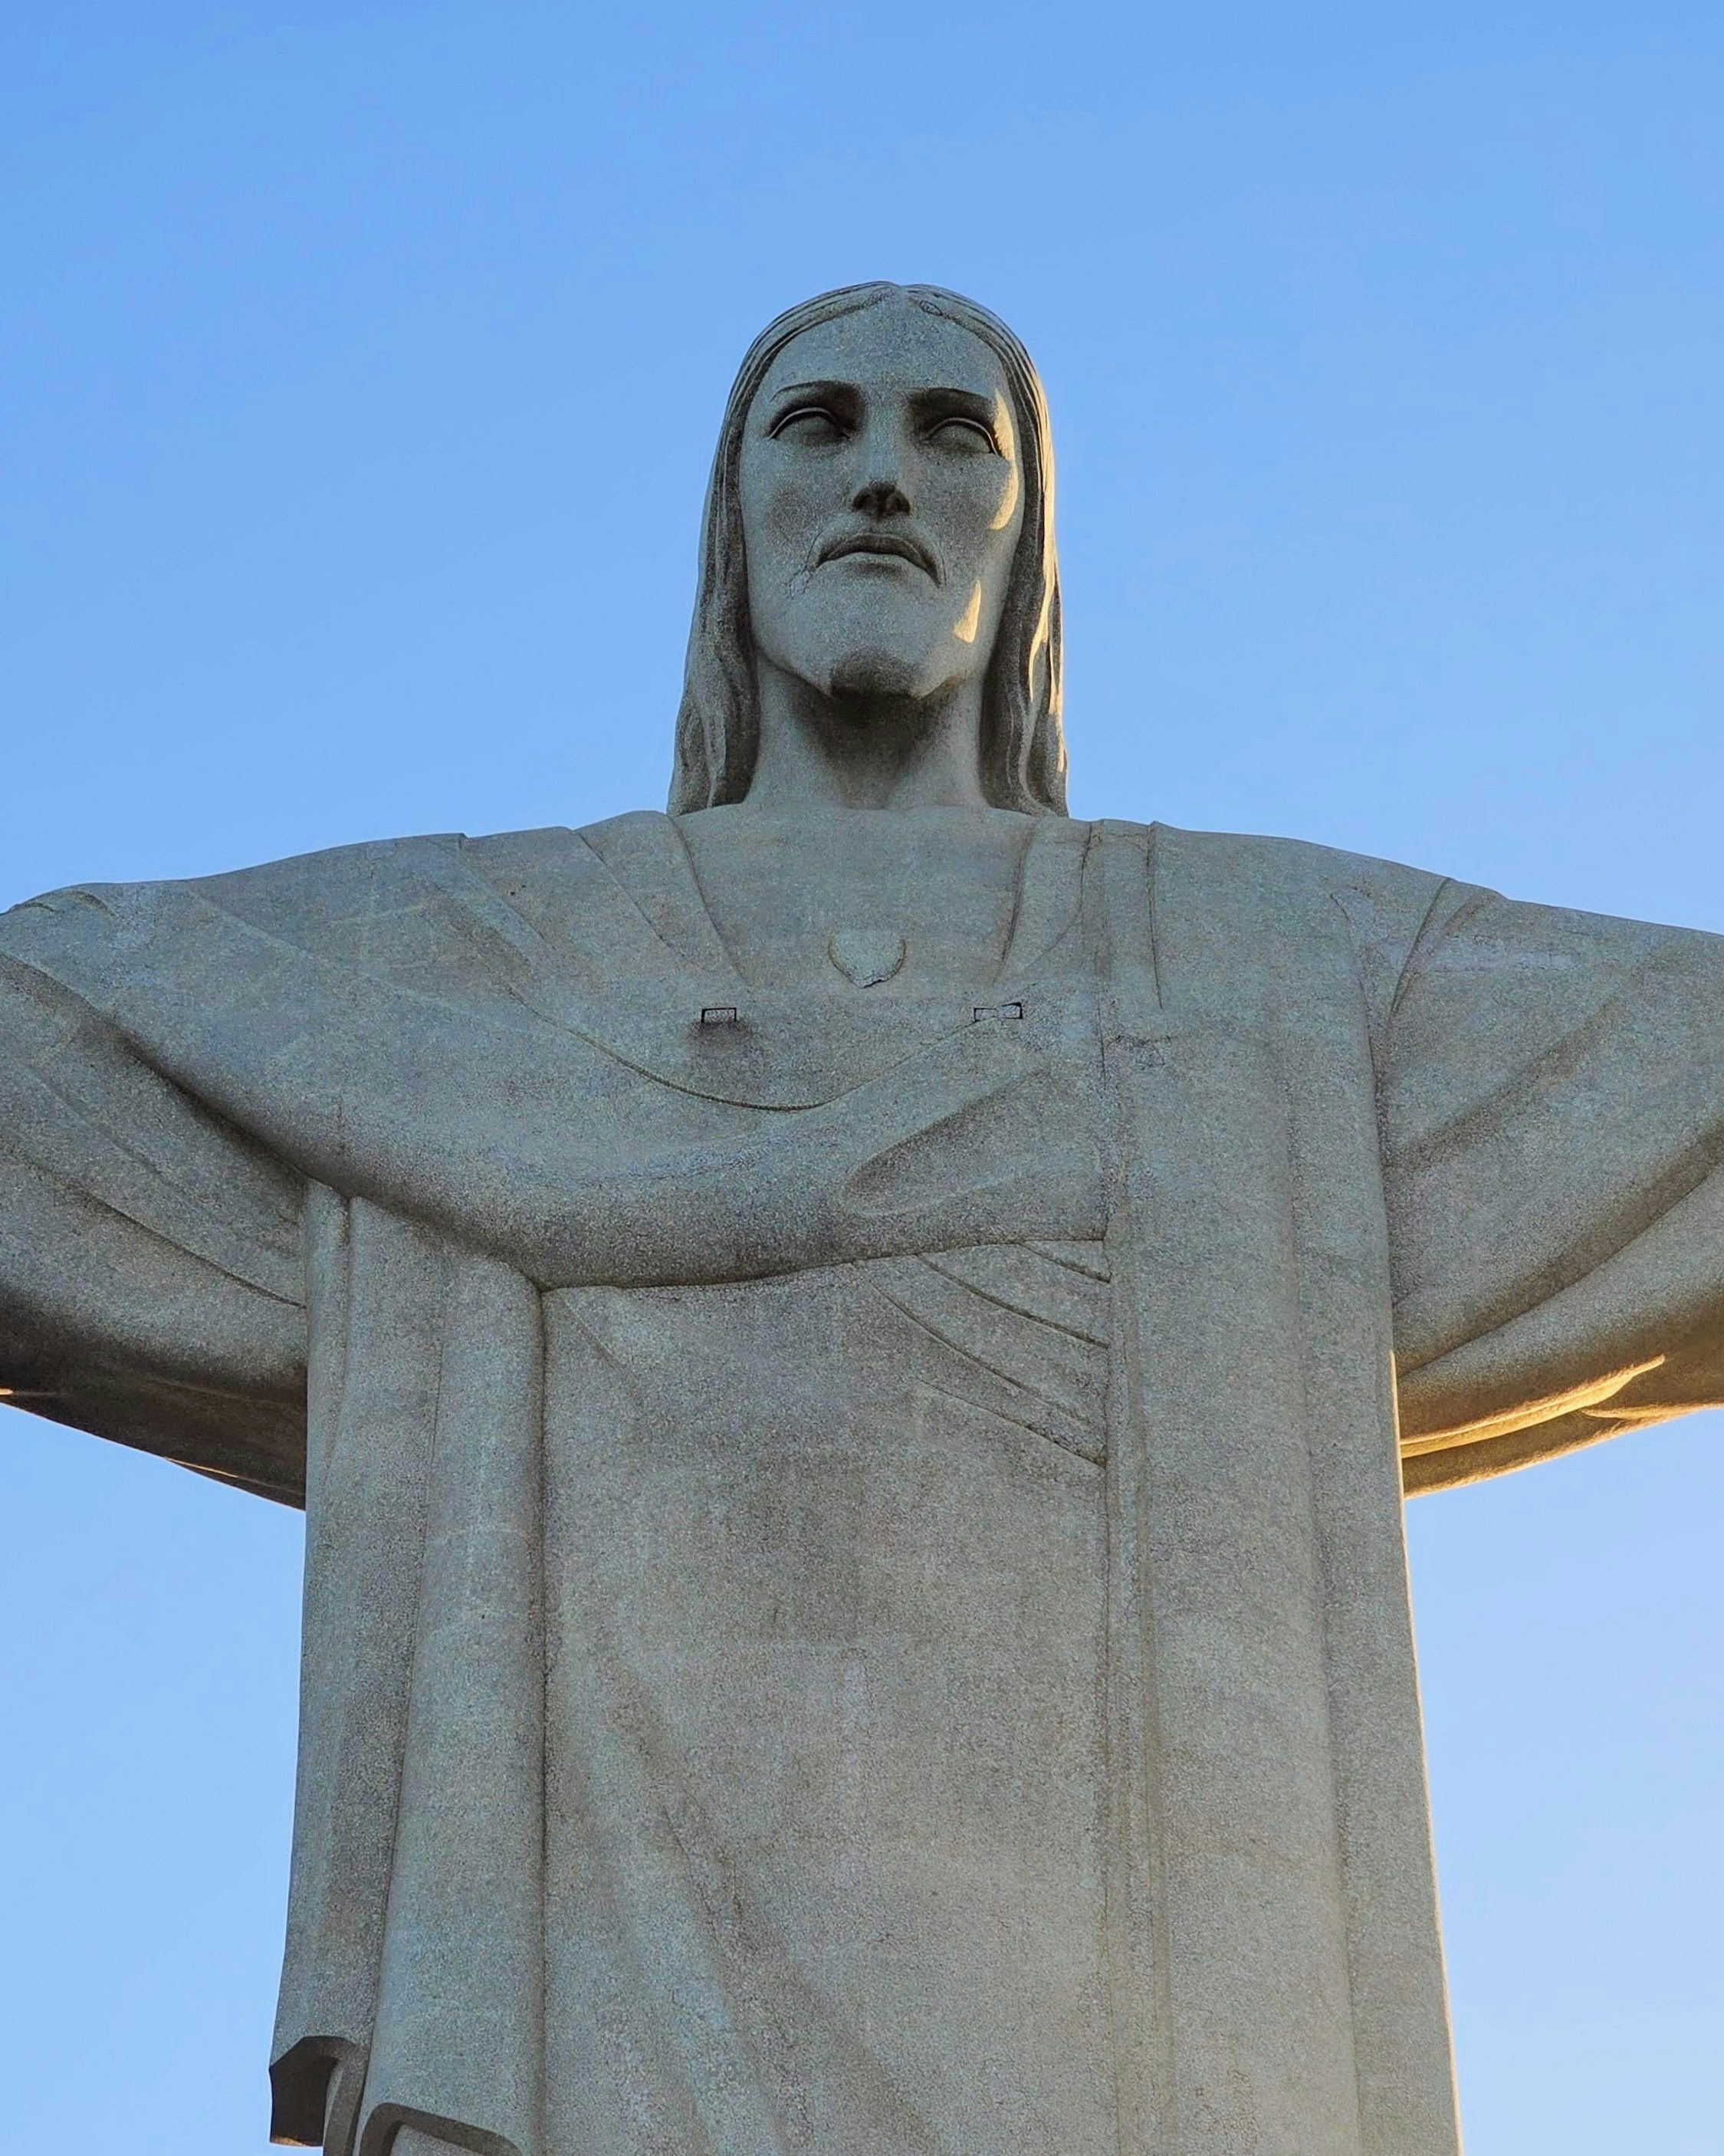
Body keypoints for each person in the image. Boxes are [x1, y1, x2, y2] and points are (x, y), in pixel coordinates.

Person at [4, 282, 1722, 2156]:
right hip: (586, 2016)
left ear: (1025, 535)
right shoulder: (485, 966)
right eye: (818, 426)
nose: (883, 479)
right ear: (731, 523)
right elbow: (54, 1041)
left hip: (1133, 2015)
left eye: (952, 433)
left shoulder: (1260, 969)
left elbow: (1684, 1084)